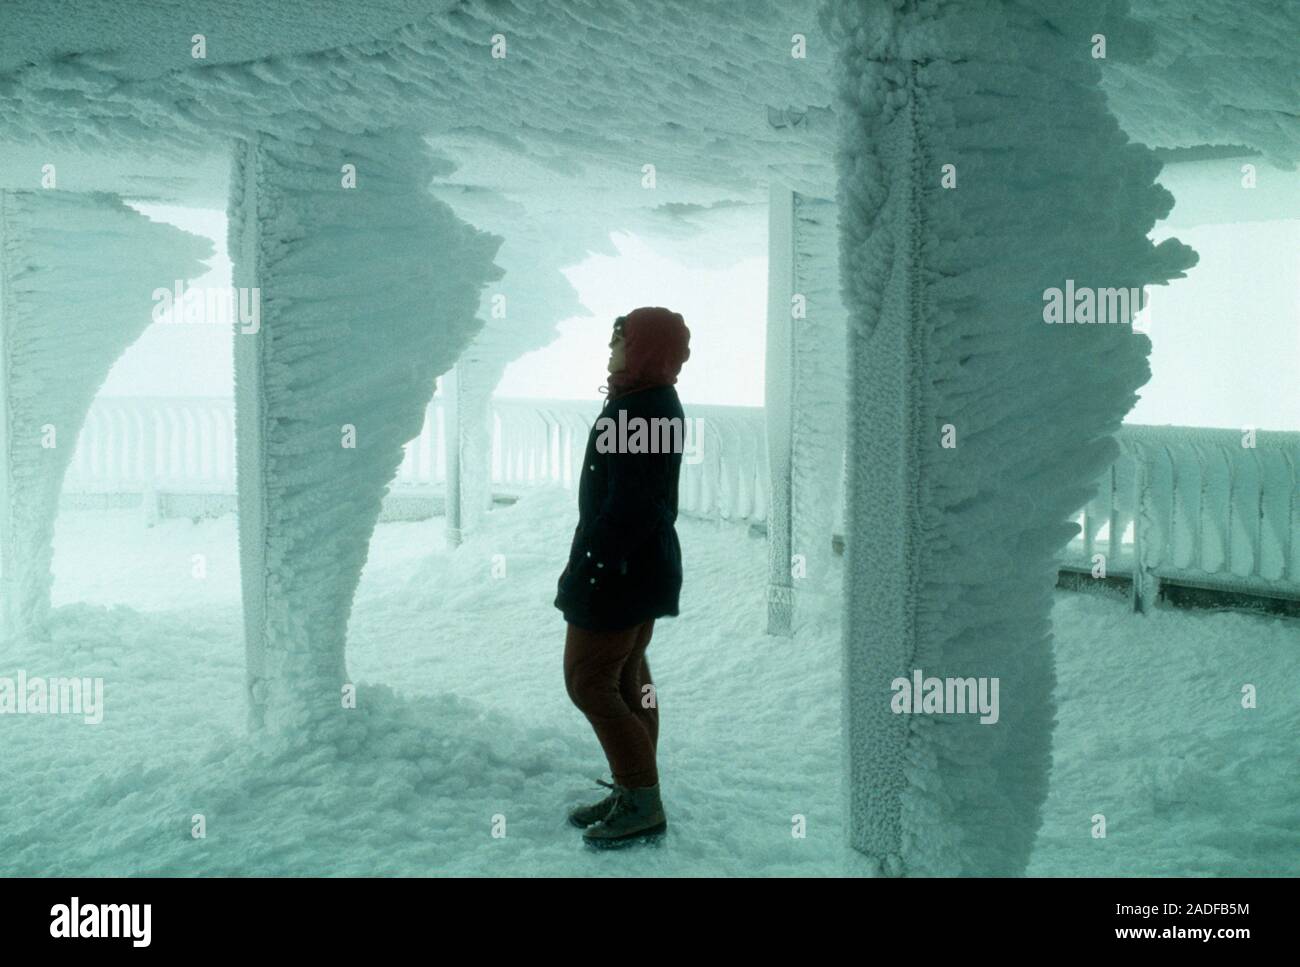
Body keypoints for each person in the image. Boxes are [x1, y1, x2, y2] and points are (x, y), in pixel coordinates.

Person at [555, 306, 691, 848]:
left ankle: (641, 800)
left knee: (589, 683)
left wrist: (593, 566)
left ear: (642, 349)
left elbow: (632, 507)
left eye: (619, 342)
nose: (611, 350)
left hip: (620, 573)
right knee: (629, 678)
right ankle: (635, 788)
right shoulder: (648, 402)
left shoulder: (640, 412)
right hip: (643, 569)